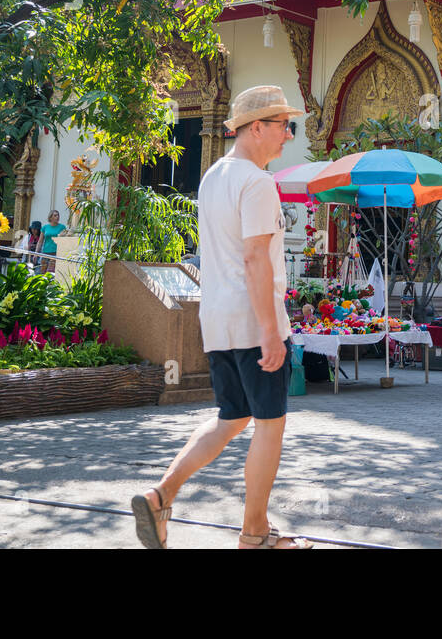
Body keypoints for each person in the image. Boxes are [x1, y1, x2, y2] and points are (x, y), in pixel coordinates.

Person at [131, 85, 311, 550]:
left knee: (232, 417)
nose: (288, 135)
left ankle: (160, 495)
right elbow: (255, 260)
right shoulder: (256, 182)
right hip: (253, 319)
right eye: (282, 125)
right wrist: (271, 332)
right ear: (256, 128)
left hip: (218, 320)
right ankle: (255, 533)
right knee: (269, 425)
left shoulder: (213, 176)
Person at [40, 209, 66, 274]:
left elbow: (64, 241)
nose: (57, 217)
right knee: (42, 271)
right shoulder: (45, 227)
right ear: (50, 217)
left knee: (50, 272)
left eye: (58, 215)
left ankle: (49, 284)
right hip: (45, 252)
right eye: (55, 215)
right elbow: (40, 241)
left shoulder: (62, 227)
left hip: (56, 252)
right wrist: (36, 252)